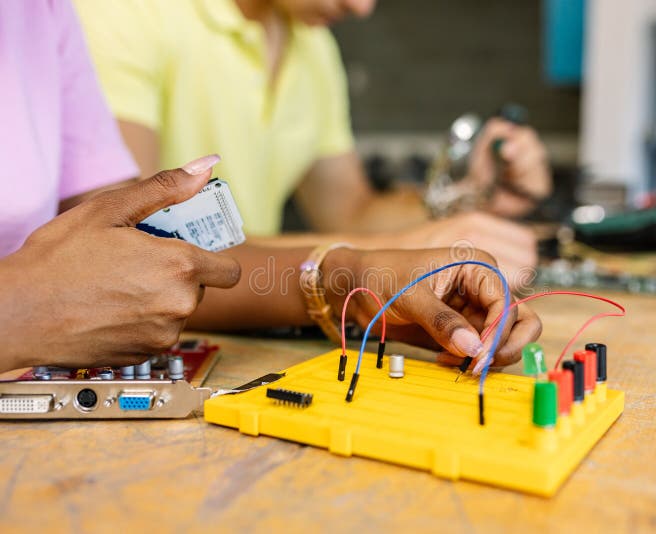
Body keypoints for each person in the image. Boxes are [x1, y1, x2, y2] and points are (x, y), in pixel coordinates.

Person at [0, 0, 541, 374]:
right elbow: (121, 268)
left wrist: (352, 279)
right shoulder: (118, 15)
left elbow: (128, 265)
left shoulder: (43, 13)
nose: (362, 9)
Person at [74, 0, 552, 288]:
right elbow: (128, 245)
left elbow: (351, 216)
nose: (362, 8)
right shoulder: (123, 12)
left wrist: (473, 193)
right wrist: (381, 255)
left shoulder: (313, 47)